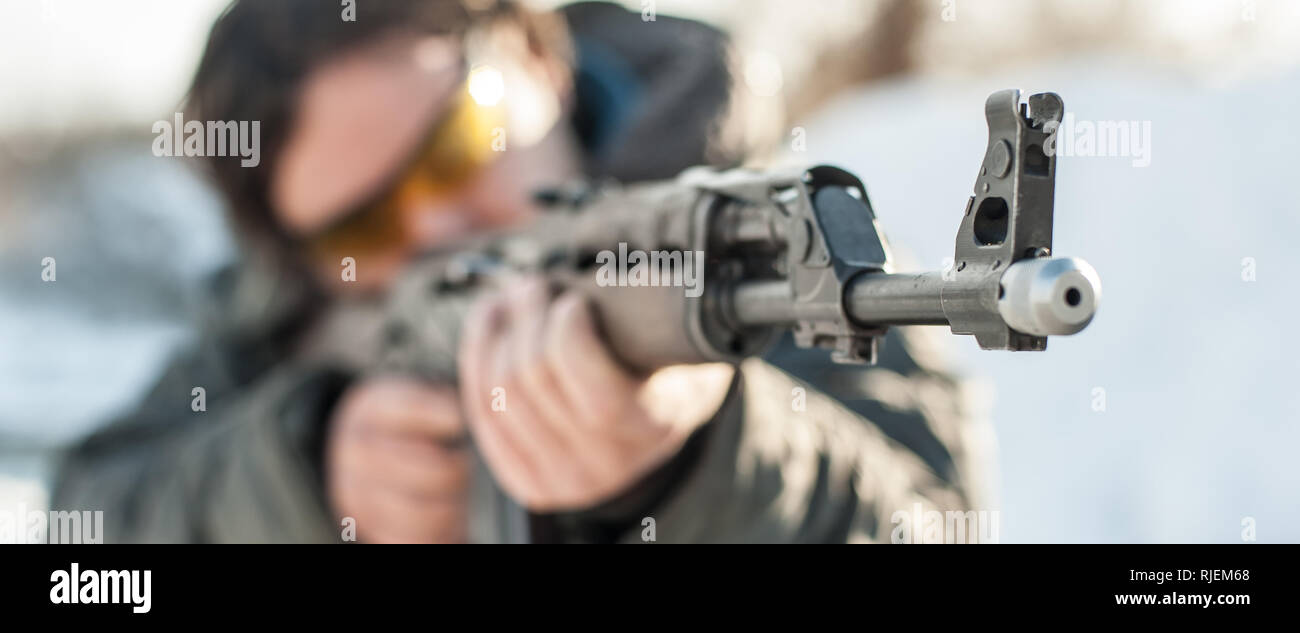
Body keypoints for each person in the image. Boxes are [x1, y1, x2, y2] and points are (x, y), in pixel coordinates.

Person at [53, 0, 988, 543]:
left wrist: (696, 465)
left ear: (539, 60)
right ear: (300, 257)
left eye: (456, 143)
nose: (439, 224)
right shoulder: (272, 333)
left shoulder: (775, 260)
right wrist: (305, 477)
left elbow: (936, 526)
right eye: (363, 224)